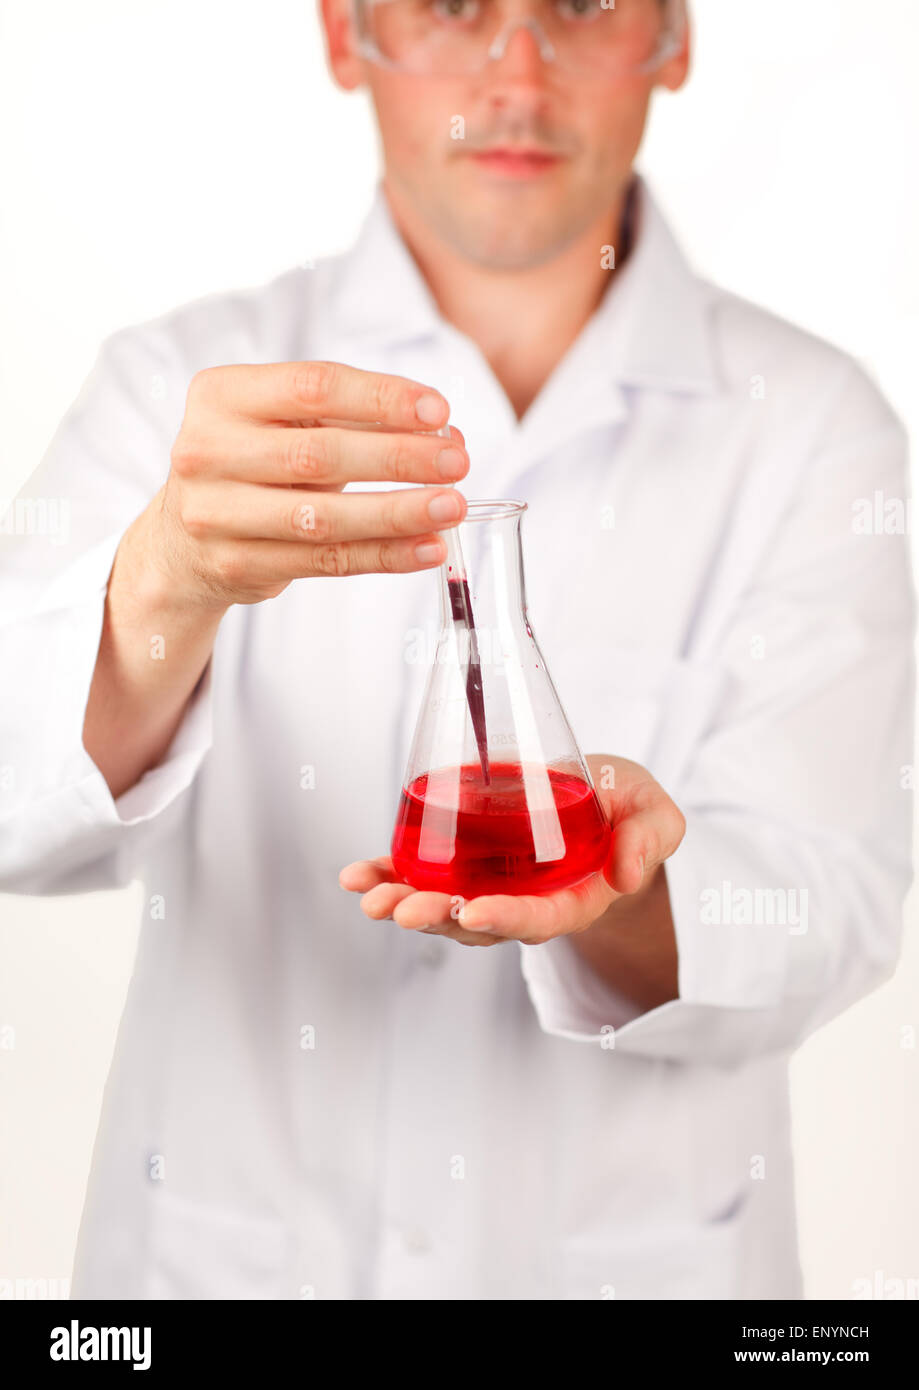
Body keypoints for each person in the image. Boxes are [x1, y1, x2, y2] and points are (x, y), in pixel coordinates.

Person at [0, 0, 913, 1300]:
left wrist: (631, 893)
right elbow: (12, 811)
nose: (518, 69)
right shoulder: (183, 384)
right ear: (341, 33)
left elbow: (829, 902)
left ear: (675, 35)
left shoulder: (818, 429)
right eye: (452, 5)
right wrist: (165, 578)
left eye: (584, 6)